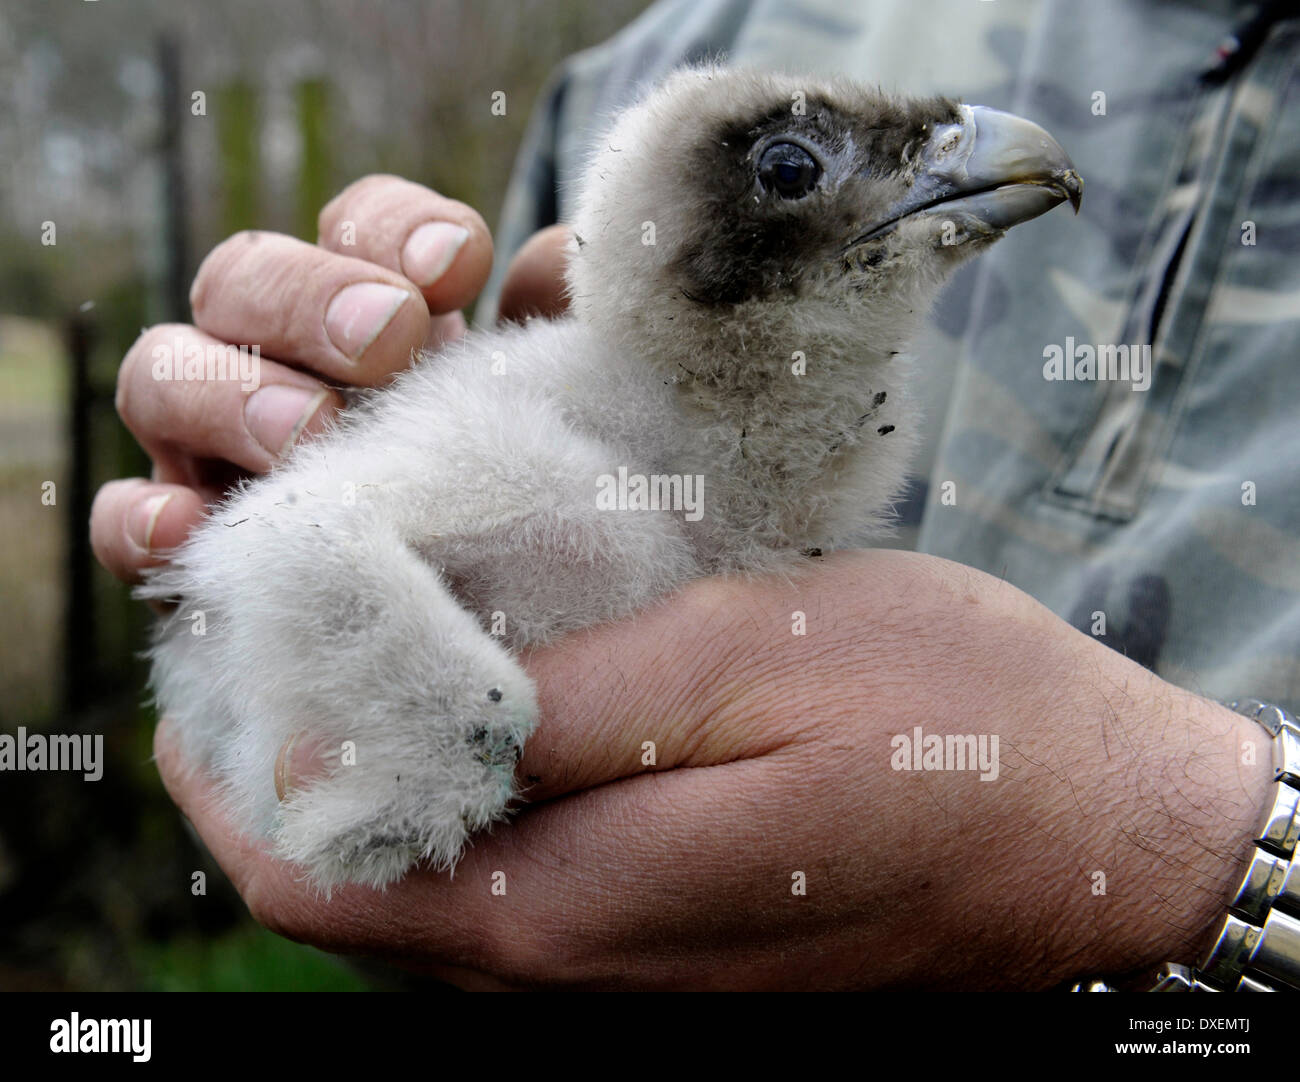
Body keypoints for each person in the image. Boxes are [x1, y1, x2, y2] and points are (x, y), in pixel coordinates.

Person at [90, 0, 1299, 989]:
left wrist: (1197, 849)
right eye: (793, 171)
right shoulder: (659, 65)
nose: (973, 151)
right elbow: (285, 563)